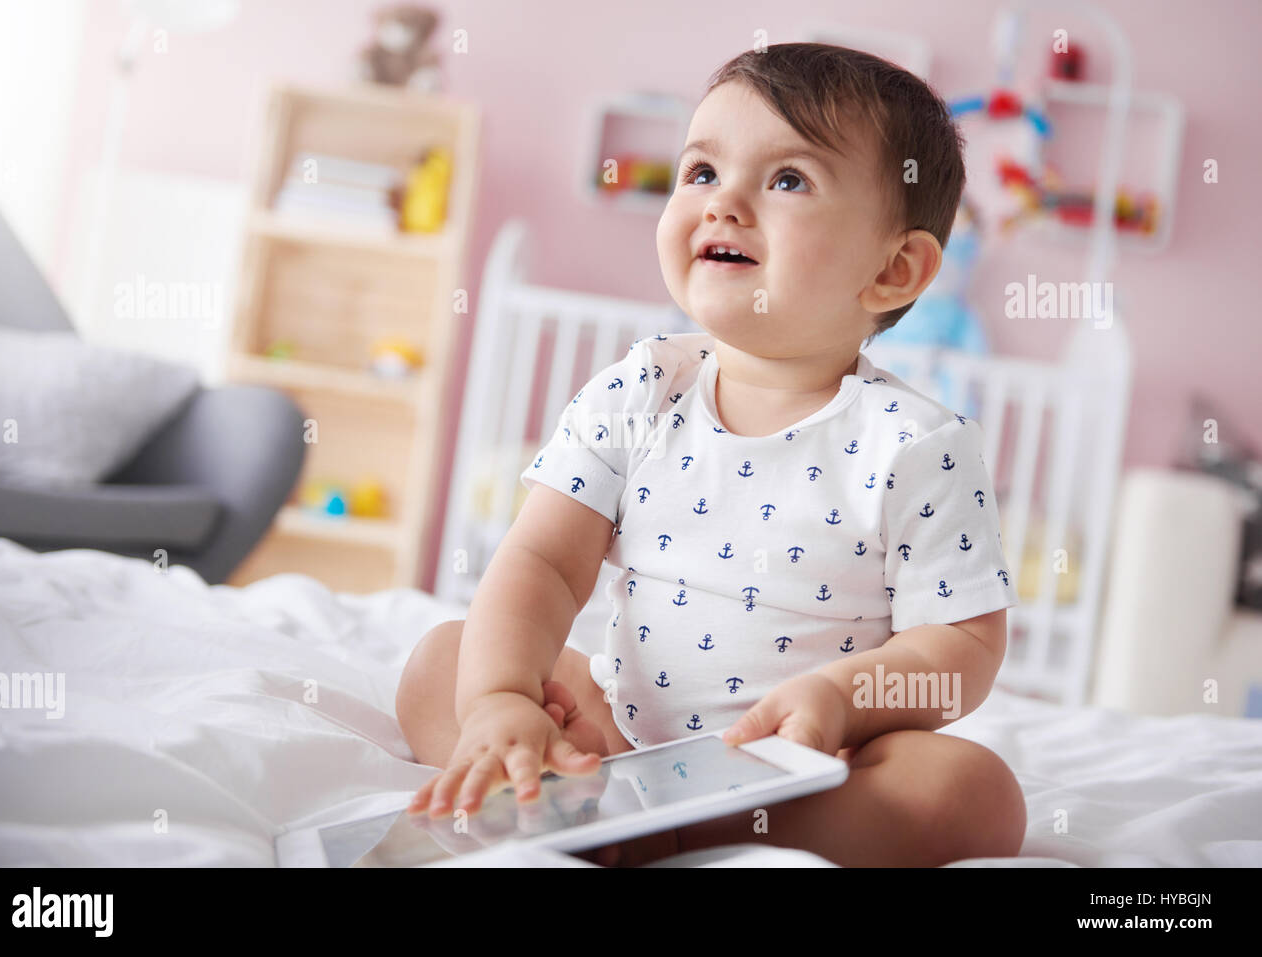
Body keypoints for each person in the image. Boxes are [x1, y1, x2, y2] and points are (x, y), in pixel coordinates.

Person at [397, 42, 1025, 868]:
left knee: (970, 792)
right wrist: (503, 699)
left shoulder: (916, 445)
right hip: (616, 736)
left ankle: (690, 831)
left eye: (788, 179)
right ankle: (570, 779)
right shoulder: (642, 390)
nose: (723, 203)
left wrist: (841, 700)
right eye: (700, 172)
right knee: (442, 661)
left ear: (894, 268)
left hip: (803, 765)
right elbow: (544, 562)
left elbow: (960, 654)